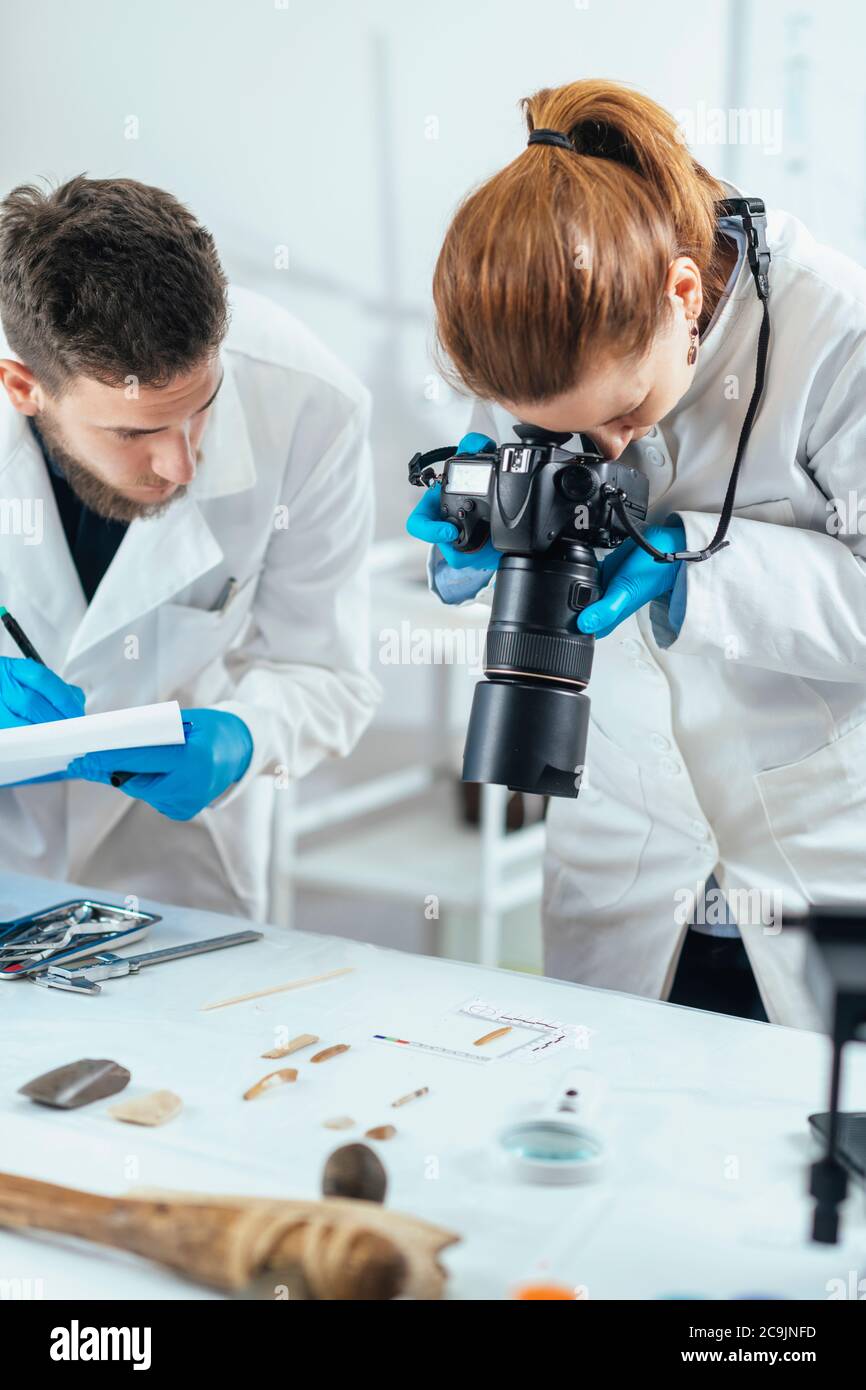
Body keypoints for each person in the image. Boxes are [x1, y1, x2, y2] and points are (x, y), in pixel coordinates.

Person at [408, 80, 866, 1029]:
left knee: (819, 1144)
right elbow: (502, 475)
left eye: (622, 414)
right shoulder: (532, 329)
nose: (604, 450)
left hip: (821, 837)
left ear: (684, 295)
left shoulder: (838, 339)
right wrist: (474, 531)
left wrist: (702, 568)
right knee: (616, 1128)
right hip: (623, 831)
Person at [0, 175, 379, 920]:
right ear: (22, 387)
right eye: (135, 433)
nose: (180, 465)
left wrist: (246, 735)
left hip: (177, 861)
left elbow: (327, 671)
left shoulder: (312, 407)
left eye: (201, 410)